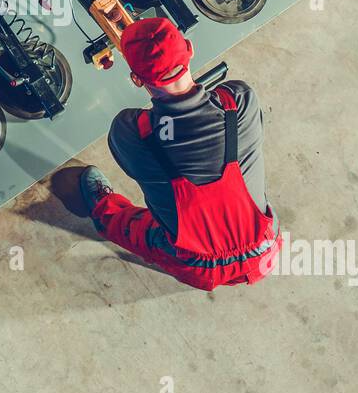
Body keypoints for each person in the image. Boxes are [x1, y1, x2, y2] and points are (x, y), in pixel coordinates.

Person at [78, 17, 281, 289]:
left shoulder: (131, 132)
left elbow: (135, 159)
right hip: (265, 247)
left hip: (197, 264)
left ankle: (103, 212)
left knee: (132, 227)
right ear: (190, 49)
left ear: (136, 79)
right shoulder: (239, 101)